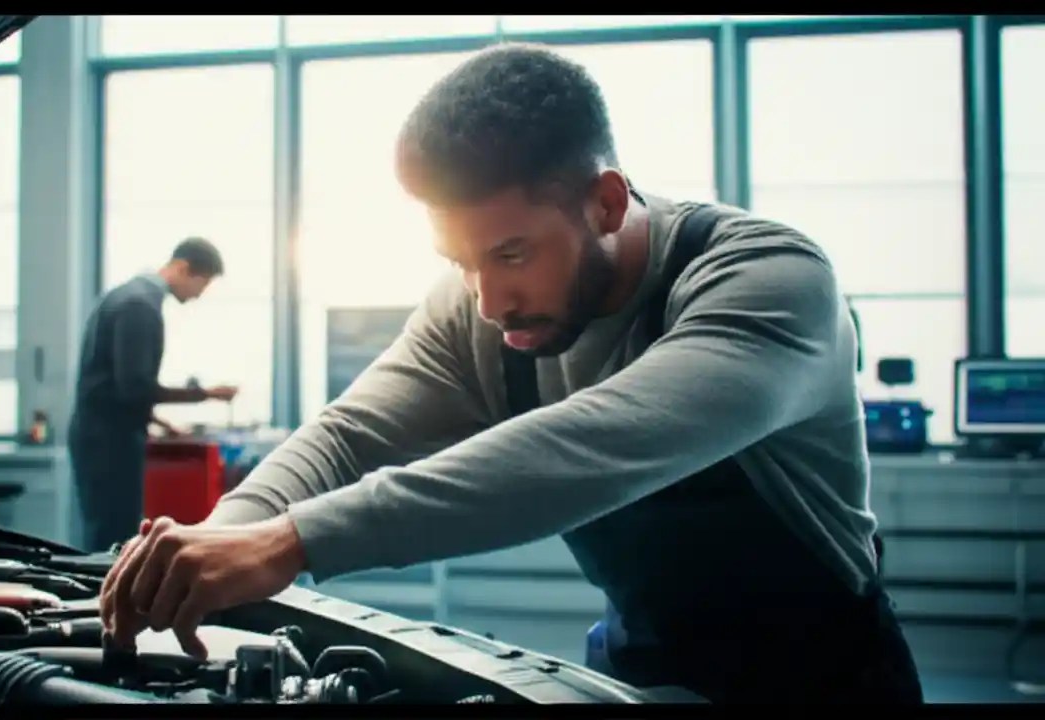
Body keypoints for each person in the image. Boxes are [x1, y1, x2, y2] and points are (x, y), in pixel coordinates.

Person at [99, 45, 923, 703]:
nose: (488, 300)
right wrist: (219, 535)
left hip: (823, 679)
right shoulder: (481, 305)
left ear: (605, 202)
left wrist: (288, 542)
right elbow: (349, 437)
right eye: (459, 261)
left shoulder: (769, 280)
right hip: (637, 665)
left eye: (511, 253)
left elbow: (588, 447)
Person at [68, 237, 239, 553]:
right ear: (183, 268)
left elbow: (119, 387)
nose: (200, 294)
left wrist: (159, 422)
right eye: (202, 284)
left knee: (105, 533)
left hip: (99, 435)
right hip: (110, 442)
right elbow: (135, 388)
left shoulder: (128, 296)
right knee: (113, 539)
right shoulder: (140, 306)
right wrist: (205, 394)